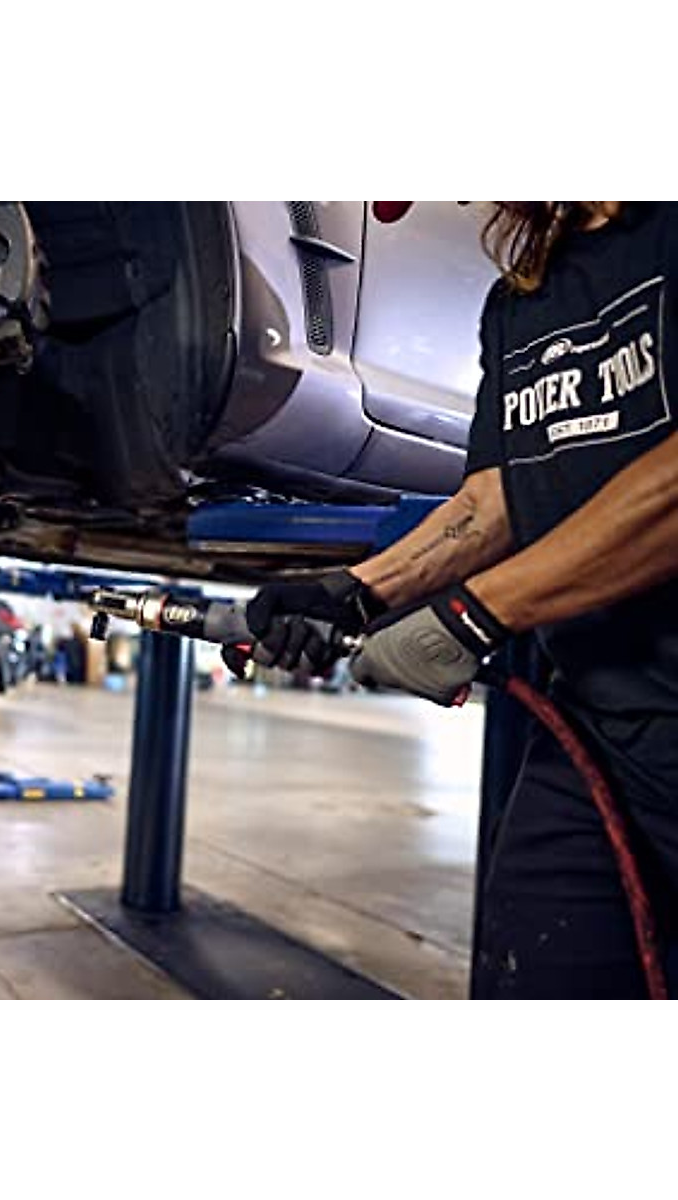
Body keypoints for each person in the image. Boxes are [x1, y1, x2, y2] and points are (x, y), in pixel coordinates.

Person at [230, 203, 678, 998]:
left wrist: (474, 615)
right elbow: (493, 498)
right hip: (599, 737)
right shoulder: (521, 299)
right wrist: (356, 593)